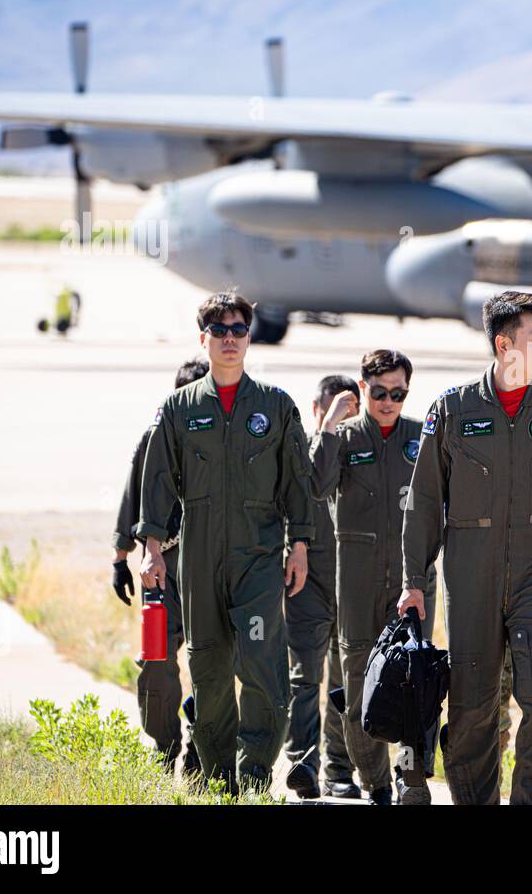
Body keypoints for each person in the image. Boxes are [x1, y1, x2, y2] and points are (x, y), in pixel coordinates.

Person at [399, 290, 532, 805]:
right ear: (503, 343)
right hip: (470, 578)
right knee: (472, 707)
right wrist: (413, 582)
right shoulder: (452, 409)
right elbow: (424, 502)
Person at [137, 291, 314, 795]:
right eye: (220, 331)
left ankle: (255, 770)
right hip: (197, 553)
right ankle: (219, 777)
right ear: (204, 339)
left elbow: (297, 482)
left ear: (249, 336)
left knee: (261, 663)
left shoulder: (276, 407)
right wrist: (151, 548)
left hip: (259, 552)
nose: (230, 339)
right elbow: (156, 482)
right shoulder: (178, 407)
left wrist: (299, 545)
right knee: (208, 665)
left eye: (238, 329)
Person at [312, 350, 439, 805]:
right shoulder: (344, 438)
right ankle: (377, 783)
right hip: (358, 580)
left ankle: (411, 780)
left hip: (413, 580)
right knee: (360, 683)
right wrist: (329, 424)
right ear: (363, 389)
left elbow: (438, 509)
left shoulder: (420, 437)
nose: (390, 401)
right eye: (381, 392)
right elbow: (318, 485)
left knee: (415, 682)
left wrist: (420, 578)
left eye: (399, 393)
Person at [110, 356, 208, 778]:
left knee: (214, 660)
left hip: (212, 565)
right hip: (161, 566)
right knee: (156, 657)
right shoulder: (156, 435)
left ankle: (203, 744)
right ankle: (165, 743)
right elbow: (135, 487)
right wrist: (120, 556)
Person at [283, 375, 362, 800]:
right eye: (332, 410)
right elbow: (314, 482)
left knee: (346, 681)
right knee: (304, 677)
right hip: (308, 580)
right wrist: (328, 429)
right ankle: (302, 763)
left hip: (350, 581)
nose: (342, 418)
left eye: (349, 410)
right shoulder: (302, 449)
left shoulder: (365, 449)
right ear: (316, 411)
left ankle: (339, 768)